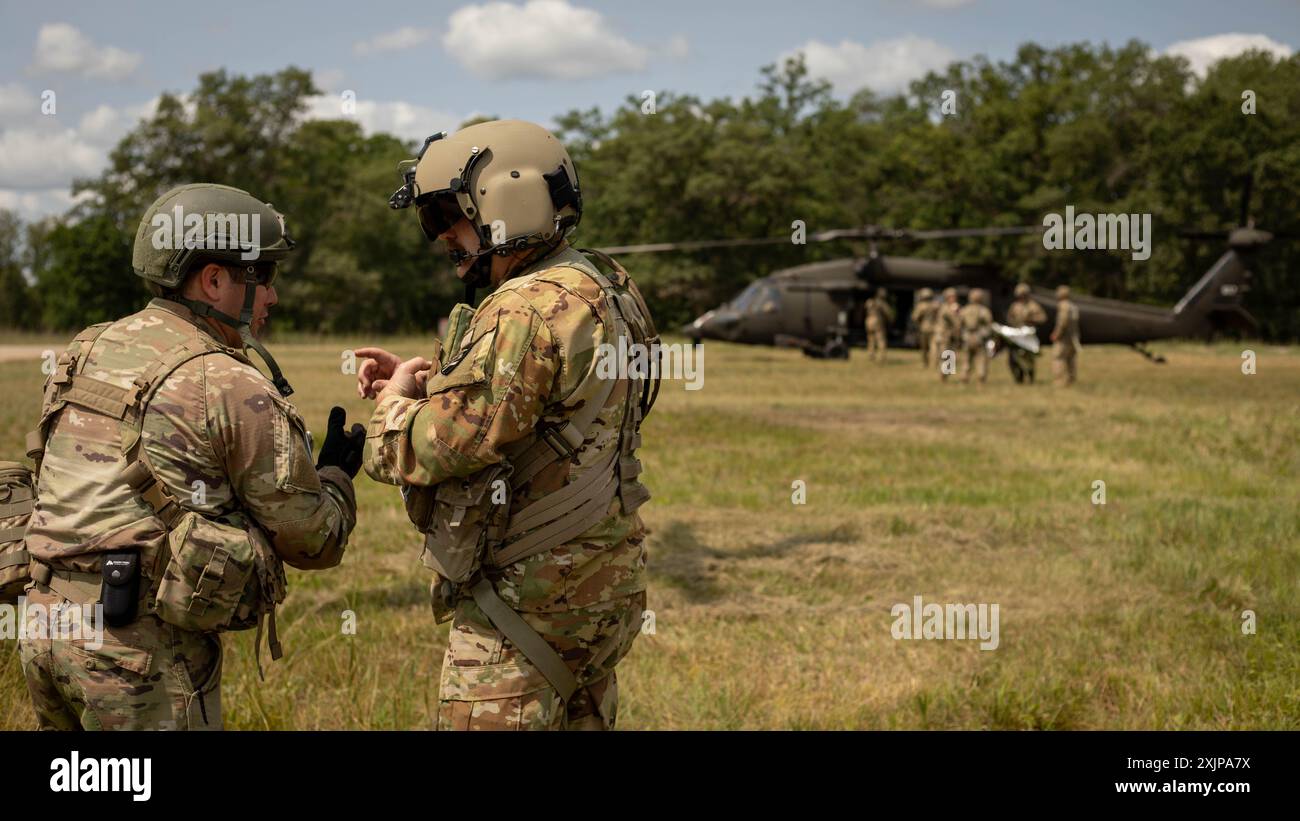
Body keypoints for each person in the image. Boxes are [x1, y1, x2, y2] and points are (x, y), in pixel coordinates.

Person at [18, 183, 362, 730]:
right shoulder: (227, 380)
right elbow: (314, 540)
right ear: (215, 279)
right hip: (138, 654)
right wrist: (338, 476)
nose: (273, 296)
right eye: (265, 276)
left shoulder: (87, 347)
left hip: (43, 628)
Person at [359, 120, 657, 730]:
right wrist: (437, 378)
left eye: (448, 213)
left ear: (504, 201)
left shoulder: (522, 307)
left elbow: (435, 448)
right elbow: (538, 402)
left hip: (527, 596)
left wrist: (392, 405)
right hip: (600, 587)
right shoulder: (606, 284)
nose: (441, 234)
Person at [1005, 282, 1047, 384]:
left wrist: (1031, 319)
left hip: (1028, 335)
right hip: (1016, 335)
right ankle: (1019, 378)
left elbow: (1043, 318)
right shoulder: (1015, 306)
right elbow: (1009, 318)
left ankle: (1030, 377)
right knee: (1013, 358)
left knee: (1028, 359)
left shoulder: (1033, 306)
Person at [958, 288, 994, 384]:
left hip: (967, 337)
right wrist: (985, 335)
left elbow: (959, 325)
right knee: (981, 358)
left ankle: (964, 377)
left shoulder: (964, 310)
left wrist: (961, 336)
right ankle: (981, 377)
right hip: (979, 338)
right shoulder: (984, 311)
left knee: (966, 359)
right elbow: (989, 325)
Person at [1051, 284, 1081, 386]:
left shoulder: (1063, 305)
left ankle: (1059, 381)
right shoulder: (1073, 306)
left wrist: (1057, 333)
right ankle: (1071, 380)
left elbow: (1063, 321)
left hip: (1063, 338)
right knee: (1071, 359)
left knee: (1058, 358)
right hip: (1073, 338)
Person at [934, 288, 961, 381]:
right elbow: (956, 321)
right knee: (946, 356)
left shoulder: (950, 307)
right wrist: (956, 312)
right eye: (951, 297)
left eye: (954, 297)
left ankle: (945, 376)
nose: (953, 298)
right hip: (944, 336)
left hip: (950, 336)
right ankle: (943, 377)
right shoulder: (946, 308)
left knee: (951, 356)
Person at [864, 288, 895, 363]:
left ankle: (871, 355)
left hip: (868, 321)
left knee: (871, 339)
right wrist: (891, 320)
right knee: (881, 339)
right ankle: (882, 357)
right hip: (877, 321)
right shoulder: (881, 303)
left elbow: (865, 309)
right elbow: (888, 313)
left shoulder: (870, 301)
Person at [910, 287, 939, 368]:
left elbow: (914, 317)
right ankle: (934, 363)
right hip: (934, 328)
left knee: (924, 347)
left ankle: (925, 363)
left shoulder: (921, 306)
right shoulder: (935, 305)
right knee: (934, 346)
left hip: (924, 328)